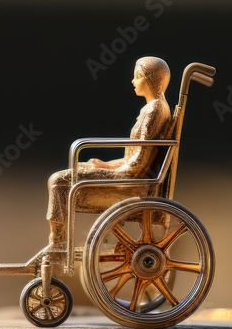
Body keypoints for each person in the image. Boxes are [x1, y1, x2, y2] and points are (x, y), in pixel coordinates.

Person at [32, 56, 172, 263]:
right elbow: (135, 158)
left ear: (151, 79)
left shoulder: (153, 110)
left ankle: (58, 243)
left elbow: (138, 163)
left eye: (137, 76)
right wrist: (105, 165)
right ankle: (62, 243)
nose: (133, 81)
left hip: (131, 183)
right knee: (75, 171)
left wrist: (109, 172)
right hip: (132, 176)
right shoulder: (155, 108)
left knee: (59, 181)